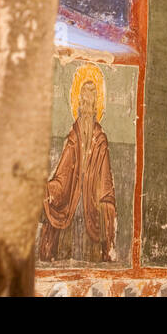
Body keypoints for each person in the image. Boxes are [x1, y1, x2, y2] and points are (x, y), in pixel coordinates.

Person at [40, 71, 116, 262]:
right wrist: (49, 189)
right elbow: (62, 177)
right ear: (79, 106)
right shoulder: (73, 137)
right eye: (83, 104)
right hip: (71, 207)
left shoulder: (100, 140)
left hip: (92, 209)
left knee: (91, 260)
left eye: (89, 105)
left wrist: (105, 203)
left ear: (95, 107)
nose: (86, 111)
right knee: (67, 257)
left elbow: (106, 182)